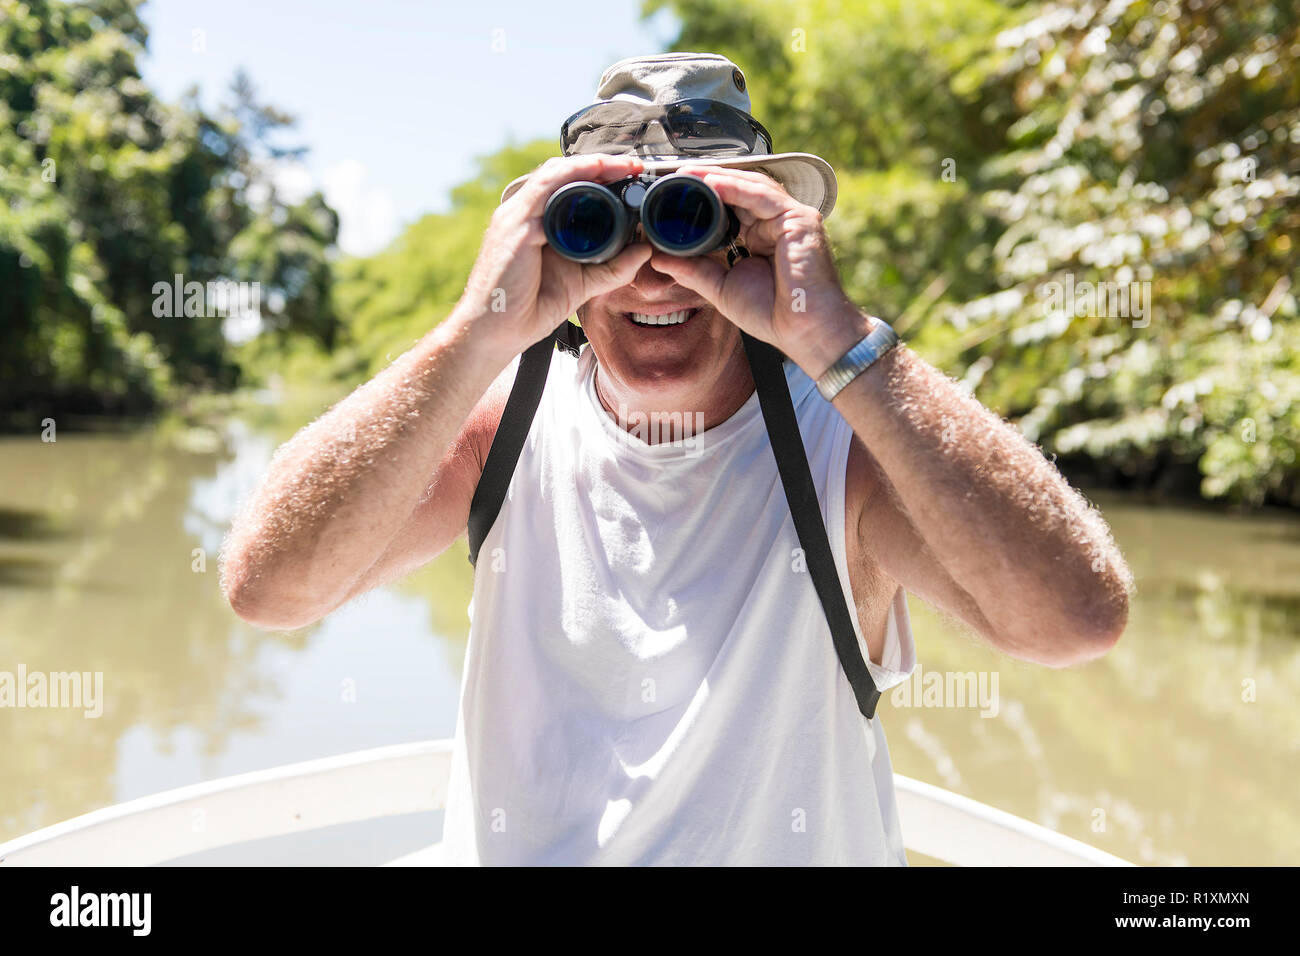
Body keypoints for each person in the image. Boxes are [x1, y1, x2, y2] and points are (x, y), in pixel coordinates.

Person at [220, 52, 1132, 865]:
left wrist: (841, 339)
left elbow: (1073, 621)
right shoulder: (500, 429)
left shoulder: (845, 450)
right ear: (552, 250)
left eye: (694, 216)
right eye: (602, 229)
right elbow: (271, 589)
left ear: (761, 240)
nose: (653, 272)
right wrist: (473, 336)